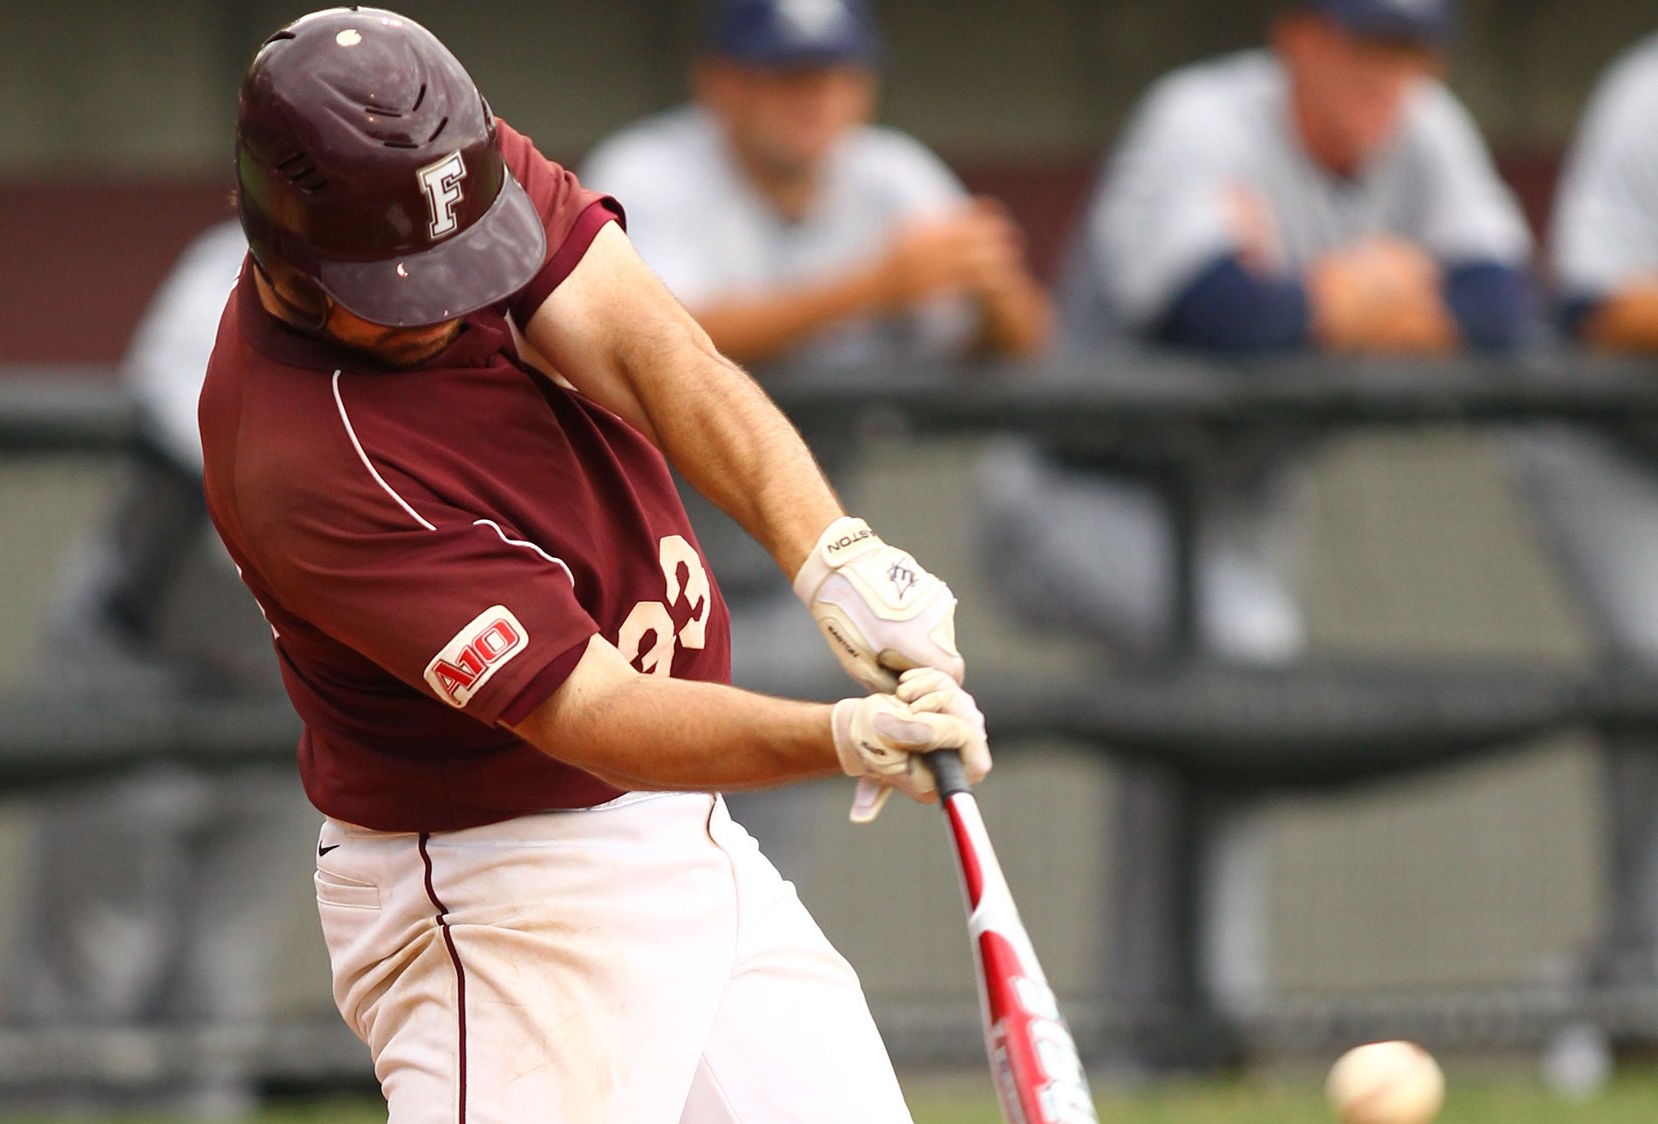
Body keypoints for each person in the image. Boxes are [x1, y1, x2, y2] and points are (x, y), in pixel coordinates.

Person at [202, 9, 996, 1119]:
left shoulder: (441, 177)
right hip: (502, 893)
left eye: (460, 261)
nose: (449, 300)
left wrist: (832, 549)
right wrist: (838, 735)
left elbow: (648, 344)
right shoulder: (304, 461)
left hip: (683, 830)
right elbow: (593, 712)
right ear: (292, 261)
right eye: (404, 287)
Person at [975, 0, 1533, 1063]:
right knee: (1238, 670)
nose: (1389, 76)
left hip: (1230, 517)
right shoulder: (1199, 119)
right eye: (1366, 46)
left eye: (1411, 51)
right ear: (1299, 39)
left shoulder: (1423, 128)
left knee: (1196, 732)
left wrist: (1320, 296)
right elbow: (1219, 313)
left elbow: (1502, 309)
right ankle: (1200, 1025)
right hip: (1074, 492)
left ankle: (1158, 1032)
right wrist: (1371, 292)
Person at [579, 0, 1049, 873]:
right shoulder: (646, 172)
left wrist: (990, 290)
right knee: (617, 848)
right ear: (722, 82)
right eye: (787, 76)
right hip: (627, 587)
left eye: (834, 75)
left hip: (781, 585)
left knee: (754, 865)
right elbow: (659, 341)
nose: (815, 99)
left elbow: (1022, 341)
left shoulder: (891, 175)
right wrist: (872, 287)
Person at [1, 221, 316, 1118]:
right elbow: (204, 434)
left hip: (286, 687)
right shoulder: (233, 268)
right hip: (140, 662)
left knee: (222, 977)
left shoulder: (441, 293)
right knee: (93, 967)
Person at [1512, 28, 1658, 1063]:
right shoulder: (1647, 94)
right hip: (1603, 444)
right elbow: (1594, 301)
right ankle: (1624, 999)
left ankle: (1618, 985)